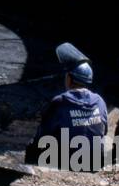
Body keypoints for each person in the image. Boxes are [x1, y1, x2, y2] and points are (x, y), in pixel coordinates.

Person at [24, 42, 109, 171]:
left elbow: (43, 135)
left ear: (69, 78)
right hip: (95, 162)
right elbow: (105, 131)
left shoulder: (60, 102)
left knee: (33, 148)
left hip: (69, 162)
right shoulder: (100, 101)